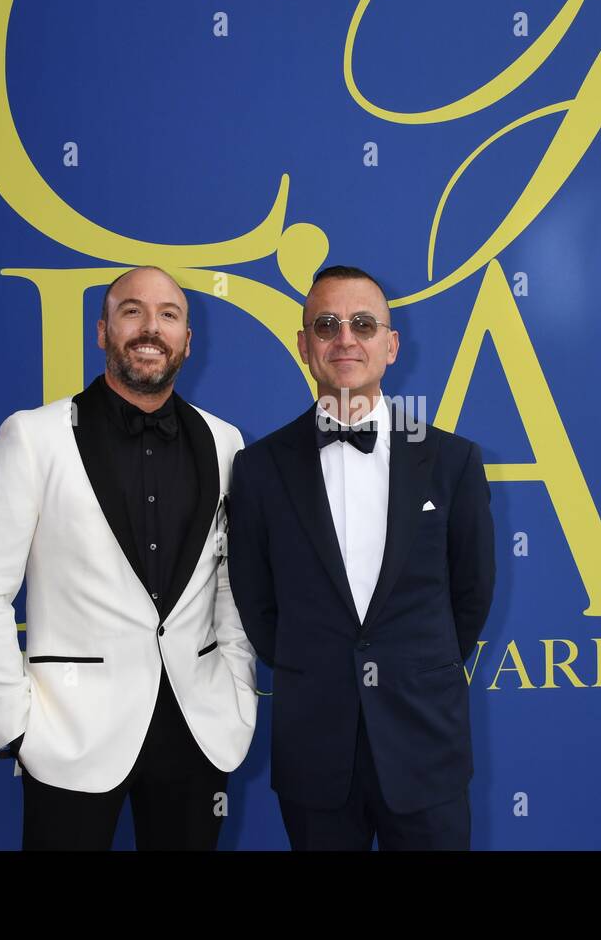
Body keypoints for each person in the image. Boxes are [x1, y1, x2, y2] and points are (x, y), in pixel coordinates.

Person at [0, 265, 257, 850]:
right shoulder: (32, 437)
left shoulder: (225, 442)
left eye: (169, 314)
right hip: (67, 733)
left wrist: (238, 686)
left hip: (199, 729)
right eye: (131, 310)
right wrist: (15, 725)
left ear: (187, 340)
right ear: (102, 331)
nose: (151, 327)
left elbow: (230, 585)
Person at [229, 264, 495, 850]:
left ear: (391, 344)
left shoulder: (453, 461)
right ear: (304, 345)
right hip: (315, 749)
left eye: (363, 324)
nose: (344, 338)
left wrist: (416, 666)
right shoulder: (258, 469)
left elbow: (470, 595)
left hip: (426, 747)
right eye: (326, 324)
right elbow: (256, 602)